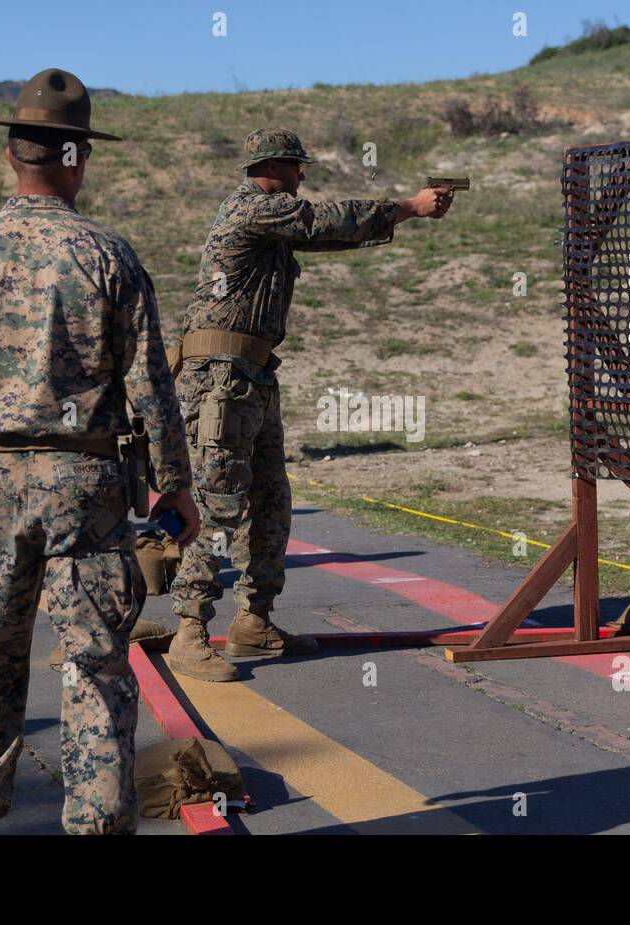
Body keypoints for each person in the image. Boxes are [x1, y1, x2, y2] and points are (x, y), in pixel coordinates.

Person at [0, 68, 199, 835]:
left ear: (11, 157)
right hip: (84, 482)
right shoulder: (108, 256)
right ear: (75, 157)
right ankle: (95, 823)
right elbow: (151, 383)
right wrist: (175, 486)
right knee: (94, 663)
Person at [166, 128, 451, 682]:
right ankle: (190, 629)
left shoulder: (270, 222)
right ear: (273, 166)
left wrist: (401, 217)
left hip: (250, 375)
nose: (303, 176)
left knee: (271, 499)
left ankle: (253, 621)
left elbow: (331, 237)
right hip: (220, 376)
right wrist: (410, 207)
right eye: (297, 167)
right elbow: (324, 221)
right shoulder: (252, 209)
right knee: (220, 503)